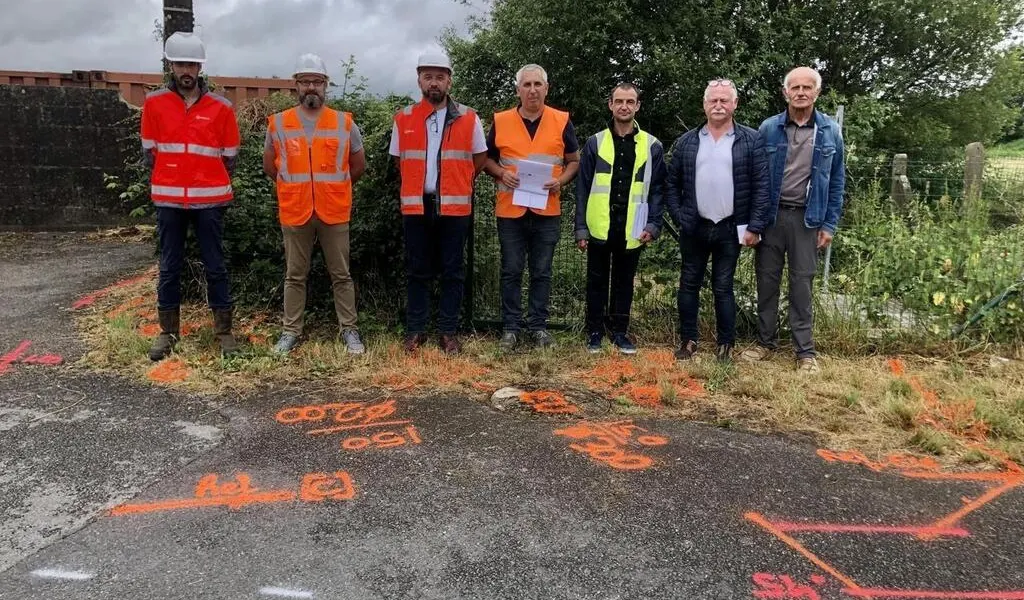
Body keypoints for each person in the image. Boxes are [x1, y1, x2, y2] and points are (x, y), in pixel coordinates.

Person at [141, 32, 241, 361]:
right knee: (169, 266)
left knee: (216, 265)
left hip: (210, 200)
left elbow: (230, 155)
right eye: (181, 64)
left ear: (200, 68)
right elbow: (150, 151)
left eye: (192, 64)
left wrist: (204, 178)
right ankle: (168, 332)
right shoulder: (154, 104)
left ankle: (224, 332)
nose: (187, 70)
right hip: (169, 200)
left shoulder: (222, 108)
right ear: (171, 65)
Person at [741, 67, 846, 373]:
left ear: (817, 92)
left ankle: (805, 352)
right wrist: (753, 223)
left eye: (807, 87)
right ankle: (765, 342)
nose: (801, 92)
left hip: (807, 220)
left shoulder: (830, 131)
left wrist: (829, 224)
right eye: (795, 87)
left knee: (802, 286)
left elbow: (837, 181)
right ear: (785, 92)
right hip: (771, 218)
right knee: (767, 282)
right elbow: (755, 177)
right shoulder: (768, 128)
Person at [264, 53, 367, 355]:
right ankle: (290, 331)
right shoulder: (279, 123)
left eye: (317, 81)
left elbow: (358, 165)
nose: (311, 87)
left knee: (341, 275)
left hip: (333, 210)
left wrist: (334, 188)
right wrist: (294, 189)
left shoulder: (344, 123)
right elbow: (270, 166)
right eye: (305, 81)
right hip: (295, 211)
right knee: (294, 275)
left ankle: (349, 330)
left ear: (325, 85)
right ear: (295, 85)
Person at [390, 53, 488, 354]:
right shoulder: (403, 117)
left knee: (452, 271)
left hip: (454, 207)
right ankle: (416, 330)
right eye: (428, 76)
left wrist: (456, 182)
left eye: (440, 77)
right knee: (417, 270)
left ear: (449, 81)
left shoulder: (469, 117)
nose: (434, 82)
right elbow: (398, 160)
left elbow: (479, 158)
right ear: (419, 80)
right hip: (416, 206)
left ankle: (448, 332)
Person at [666, 79, 770, 363]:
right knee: (688, 284)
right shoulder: (687, 142)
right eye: (713, 100)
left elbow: (762, 186)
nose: (719, 105)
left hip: (730, 226)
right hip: (695, 225)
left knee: (723, 287)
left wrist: (755, 226)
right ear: (704, 105)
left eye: (724, 100)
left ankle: (726, 343)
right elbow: (672, 185)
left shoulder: (751, 140)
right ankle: (688, 340)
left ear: (735, 104)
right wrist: (680, 217)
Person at [483, 64, 580, 351]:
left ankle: (538, 327)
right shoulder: (501, 121)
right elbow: (485, 160)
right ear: (518, 90)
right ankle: (511, 329)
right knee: (511, 270)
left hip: (546, 211)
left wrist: (560, 180)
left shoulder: (561, 120)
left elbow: (574, 161)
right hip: (510, 211)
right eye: (527, 85)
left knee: (542, 272)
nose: (533, 90)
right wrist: (501, 174)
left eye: (538, 84)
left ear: (546, 89)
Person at [575, 83, 666, 355]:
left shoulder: (652, 145)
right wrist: (581, 228)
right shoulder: (595, 142)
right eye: (619, 101)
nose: (624, 106)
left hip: (632, 226)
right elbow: (582, 187)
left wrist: (654, 224)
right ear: (610, 105)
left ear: (637, 106)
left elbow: (657, 189)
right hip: (599, 224)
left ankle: (620, 332)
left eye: (629, 101)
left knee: (624, 282)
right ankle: (594, 332)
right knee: (596, 281)